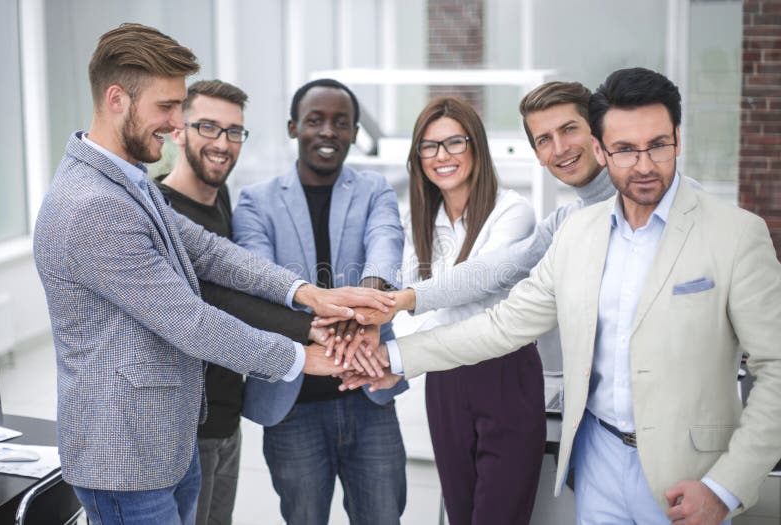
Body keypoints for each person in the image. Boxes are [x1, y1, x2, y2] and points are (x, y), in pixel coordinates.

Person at [346, 68, 781, 524]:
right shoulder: (573, 230)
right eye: (625, 149)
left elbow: (774, 370)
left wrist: (725, 487)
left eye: (658, 145)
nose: (645, 164)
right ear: (602, 147)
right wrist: (393, 353)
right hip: (596, 466)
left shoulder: (734, 234)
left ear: (676, 138)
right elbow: (502, 319)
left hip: (689, 479)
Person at [32, 25, 393, 524]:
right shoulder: (93, 205)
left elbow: (209, 251)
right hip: (127, 462)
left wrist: (307, 293)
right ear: (117, 99)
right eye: (167, 106)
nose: (175, 123)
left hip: (167, 444)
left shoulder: (126, 181)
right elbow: (191, 323)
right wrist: (303, 358)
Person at [231, 78, 407, 525]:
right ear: (294, 128)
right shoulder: (255, 202)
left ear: (352, 132)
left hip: (369, 395)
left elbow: (386, 242)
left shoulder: (374, 189)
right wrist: (330, 315)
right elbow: (261, 280)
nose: (328, 131)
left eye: (341, 122)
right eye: (316, 120)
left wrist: (365, 306)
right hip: (292, 406)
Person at [157, 79, 330, 525]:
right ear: (178, 130)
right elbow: (214, 302)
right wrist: (311, 327)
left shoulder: (223, 200)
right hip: (184, 432)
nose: (223, 144)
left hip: (226, 420)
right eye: (208, 128)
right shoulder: (158, 210)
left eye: (234, 132)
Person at [315, 81, 615, 325]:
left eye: (569, 129)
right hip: (433, 374)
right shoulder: (565, 222)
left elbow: (482, 288)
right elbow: (482, 272)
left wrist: (400, 314)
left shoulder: (516, 212)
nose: (560, 148)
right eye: (544, 139)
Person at [401, 96, 541, 524]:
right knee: (461, 514)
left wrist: (408, 298)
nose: (442, 156)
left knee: (497, 516)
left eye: (454, 143)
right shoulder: (419, 219)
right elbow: (413, 290)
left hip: (503, 373)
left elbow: (478, 280)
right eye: (430, 146)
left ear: (476, 147)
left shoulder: (513, 212)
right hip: (445, 376)